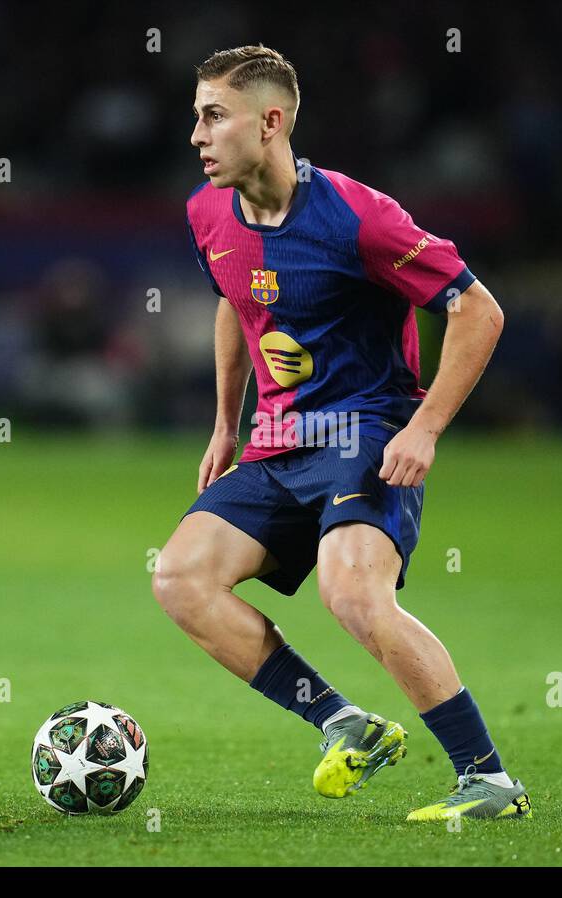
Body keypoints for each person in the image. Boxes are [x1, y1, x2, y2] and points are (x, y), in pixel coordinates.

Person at [153, 45, 530, 821]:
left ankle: (489, 781)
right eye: (196, 115)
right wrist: (225, 423)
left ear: (270, 122)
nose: (196, 133)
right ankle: (344, 723)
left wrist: (424, 428)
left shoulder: (361, 217)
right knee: (180, 577)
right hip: (275, 440)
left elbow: (477, 309)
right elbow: (235, 299)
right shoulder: (206, 213)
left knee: (351, 591)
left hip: (365, 429)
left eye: (213, 116)